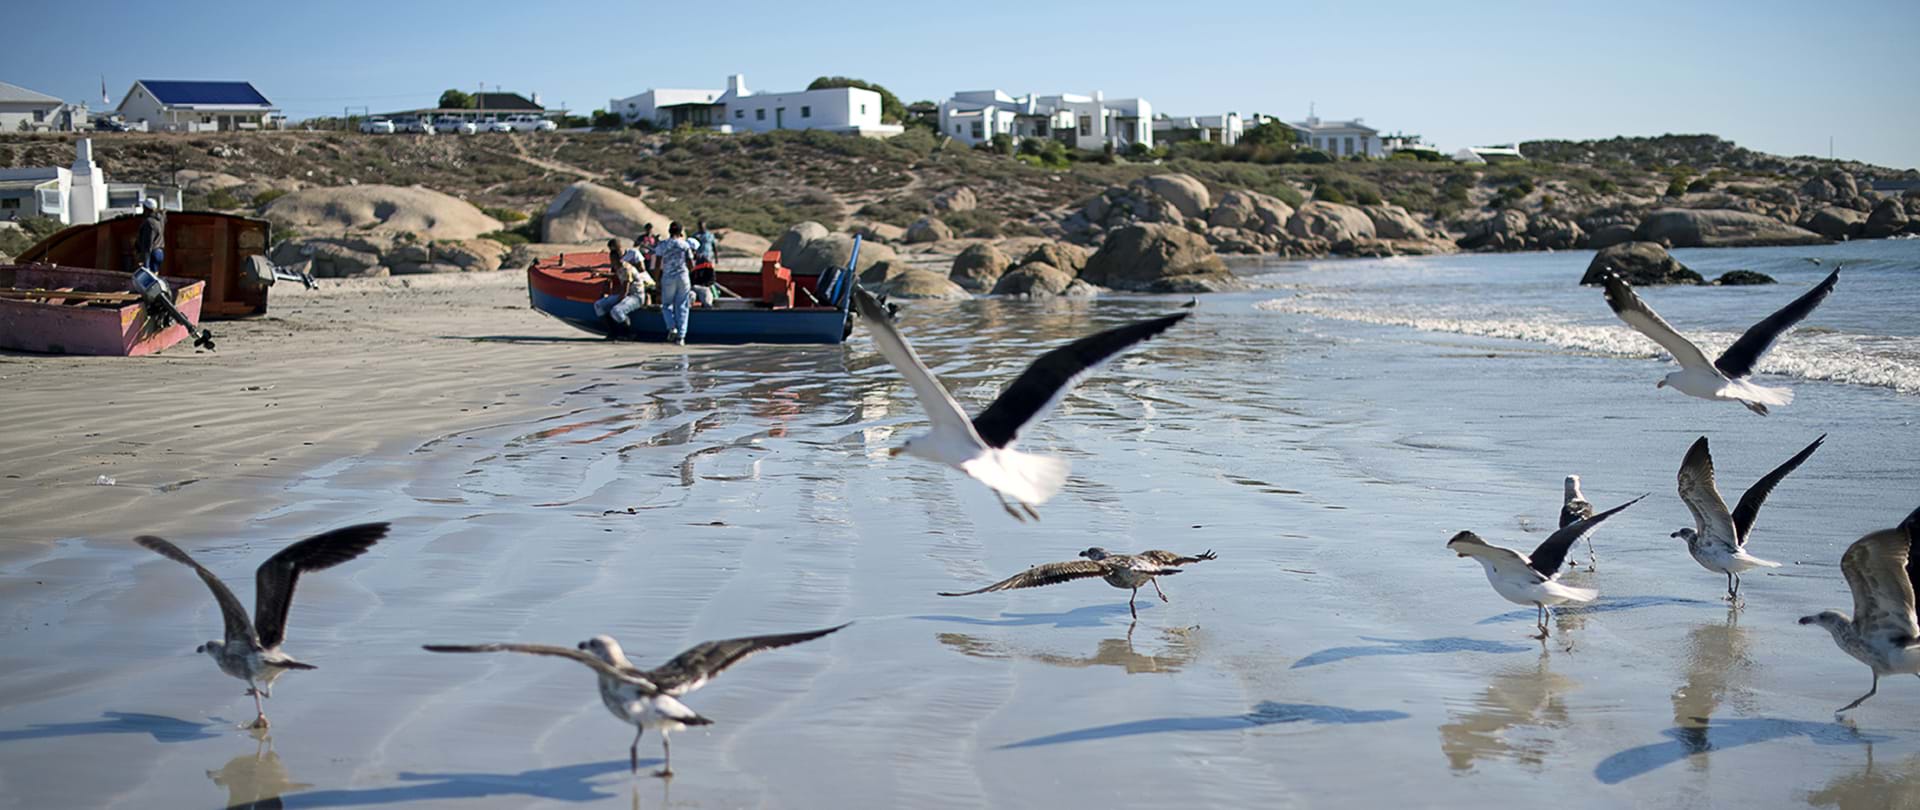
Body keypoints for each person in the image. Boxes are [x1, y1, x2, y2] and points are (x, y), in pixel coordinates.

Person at [651, 222, 700, 344]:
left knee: (667, 305)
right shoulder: (685, 245)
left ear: (669, 231)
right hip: (683, 277)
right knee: (682, 305)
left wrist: (656, 280)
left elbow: (657, 264)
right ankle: (681, 337)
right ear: (681, 232)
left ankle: (672, 328)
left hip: (668, 277)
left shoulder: (662, 245)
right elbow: (691, 264)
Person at [593, 239, 652, 334]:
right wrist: (601, 275)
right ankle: (612, 332)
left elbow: (625, 290)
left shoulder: (626, 269)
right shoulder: (619, 268)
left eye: (612, 260)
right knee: (599, 305)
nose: (611, 262)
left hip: (636, 296)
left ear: (617, 259)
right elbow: (616, 276)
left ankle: (629, 332)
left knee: (616, 311)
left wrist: (615, 302)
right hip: (627, 294)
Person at [689, 220, 718, 307]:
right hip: (690, 286)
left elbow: (714, 246)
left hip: (708, 258)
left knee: (706, 295)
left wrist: (716, 258)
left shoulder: (710, 235)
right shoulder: (695, 236)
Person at [133, 198, 165, 272]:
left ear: (146, 209)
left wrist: (145, 262)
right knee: (155, 274)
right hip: (160, 252)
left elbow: (148, 244)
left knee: (149, 277)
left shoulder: (149, 222)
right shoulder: (160, 219)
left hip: (152, 253)